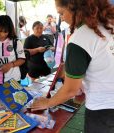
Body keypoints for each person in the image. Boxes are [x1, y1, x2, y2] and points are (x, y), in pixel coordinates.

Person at [31, 0, 114, 133]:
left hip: (103, 110)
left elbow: (71, 90)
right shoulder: (108, 25)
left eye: (62, 13)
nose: (62, 19)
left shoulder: (81, 38)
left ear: (75, 8)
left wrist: (47, 102)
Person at [0, 15, 25, 88]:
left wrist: (10, 65)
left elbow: (22, 59)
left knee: (14, 98)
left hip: (14, 79)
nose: (2, 34)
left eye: (5, 31)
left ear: (10, 30)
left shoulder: (16, 42)